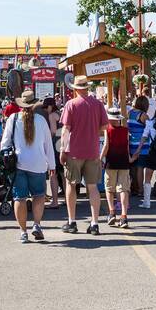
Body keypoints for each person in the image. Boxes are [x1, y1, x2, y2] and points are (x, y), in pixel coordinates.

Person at [59, 76, 109, 235]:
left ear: (75, 88)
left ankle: (72, 221)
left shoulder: (71, 104)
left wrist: (62, 149)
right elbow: (104, 126)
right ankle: (94, 224)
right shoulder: (98, 104)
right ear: (87, 87)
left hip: (74, 151)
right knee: (93, 187)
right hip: (93, 151)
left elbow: (66, 130)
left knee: (71, 185)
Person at [4, 90, 55, 243]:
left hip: (18, 163)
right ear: (34, 104)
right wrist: (51, 164)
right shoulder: (41, 120)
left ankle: (23, 232)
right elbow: (48, 145)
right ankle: (37, 225)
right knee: (39, 195)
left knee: (19, 197)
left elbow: (5, 143)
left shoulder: (13, 119)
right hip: (38, 164)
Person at [100, 106, 132, 227]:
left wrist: (99, 159)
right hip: (124, 161)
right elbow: (127, 148)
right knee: (123, 189)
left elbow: (106, 146)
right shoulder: (125, 130)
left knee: (109, 188)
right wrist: (129, 158)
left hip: (111, 162)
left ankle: (112, 213)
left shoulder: (108, 130)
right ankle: (124, 216)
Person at [40, 96, 63, 209]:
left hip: (55, 146)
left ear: (50, 106)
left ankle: (55, 201)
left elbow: (53, 132)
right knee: (63, 174)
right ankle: (66, 197)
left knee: (52, 173)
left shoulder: (51, 115)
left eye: (46, 107)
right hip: (63, 145)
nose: (45, 109)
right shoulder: (60, 113)